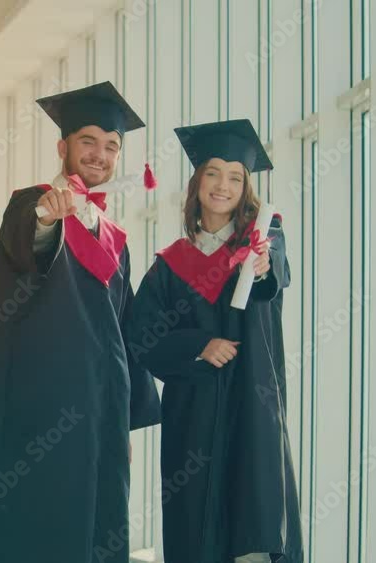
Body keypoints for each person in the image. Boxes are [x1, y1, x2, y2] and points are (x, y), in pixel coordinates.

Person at [0, 81, 161, 563]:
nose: (100, 154)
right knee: (37, 523)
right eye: (88, 141)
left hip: (99, 415)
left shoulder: (114, 237)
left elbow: (124, 333)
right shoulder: (31, 204)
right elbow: (28, 243)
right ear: (62, 146)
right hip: (40, 411)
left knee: (95, 526)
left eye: (111, 146)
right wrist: (48, 217)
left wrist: (123, 421)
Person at [127, 120, 303, 563]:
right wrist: (197, 346)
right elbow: (141, 336)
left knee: (255, 529)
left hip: (252, 409)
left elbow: (275, 268)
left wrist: (262, 265)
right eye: (213, 173)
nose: (223, 185)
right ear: (197, 182)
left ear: (245, 188)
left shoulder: (263, 237)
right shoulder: (170, 266)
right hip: (194, 418)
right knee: (196, 530)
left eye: (235, 176)